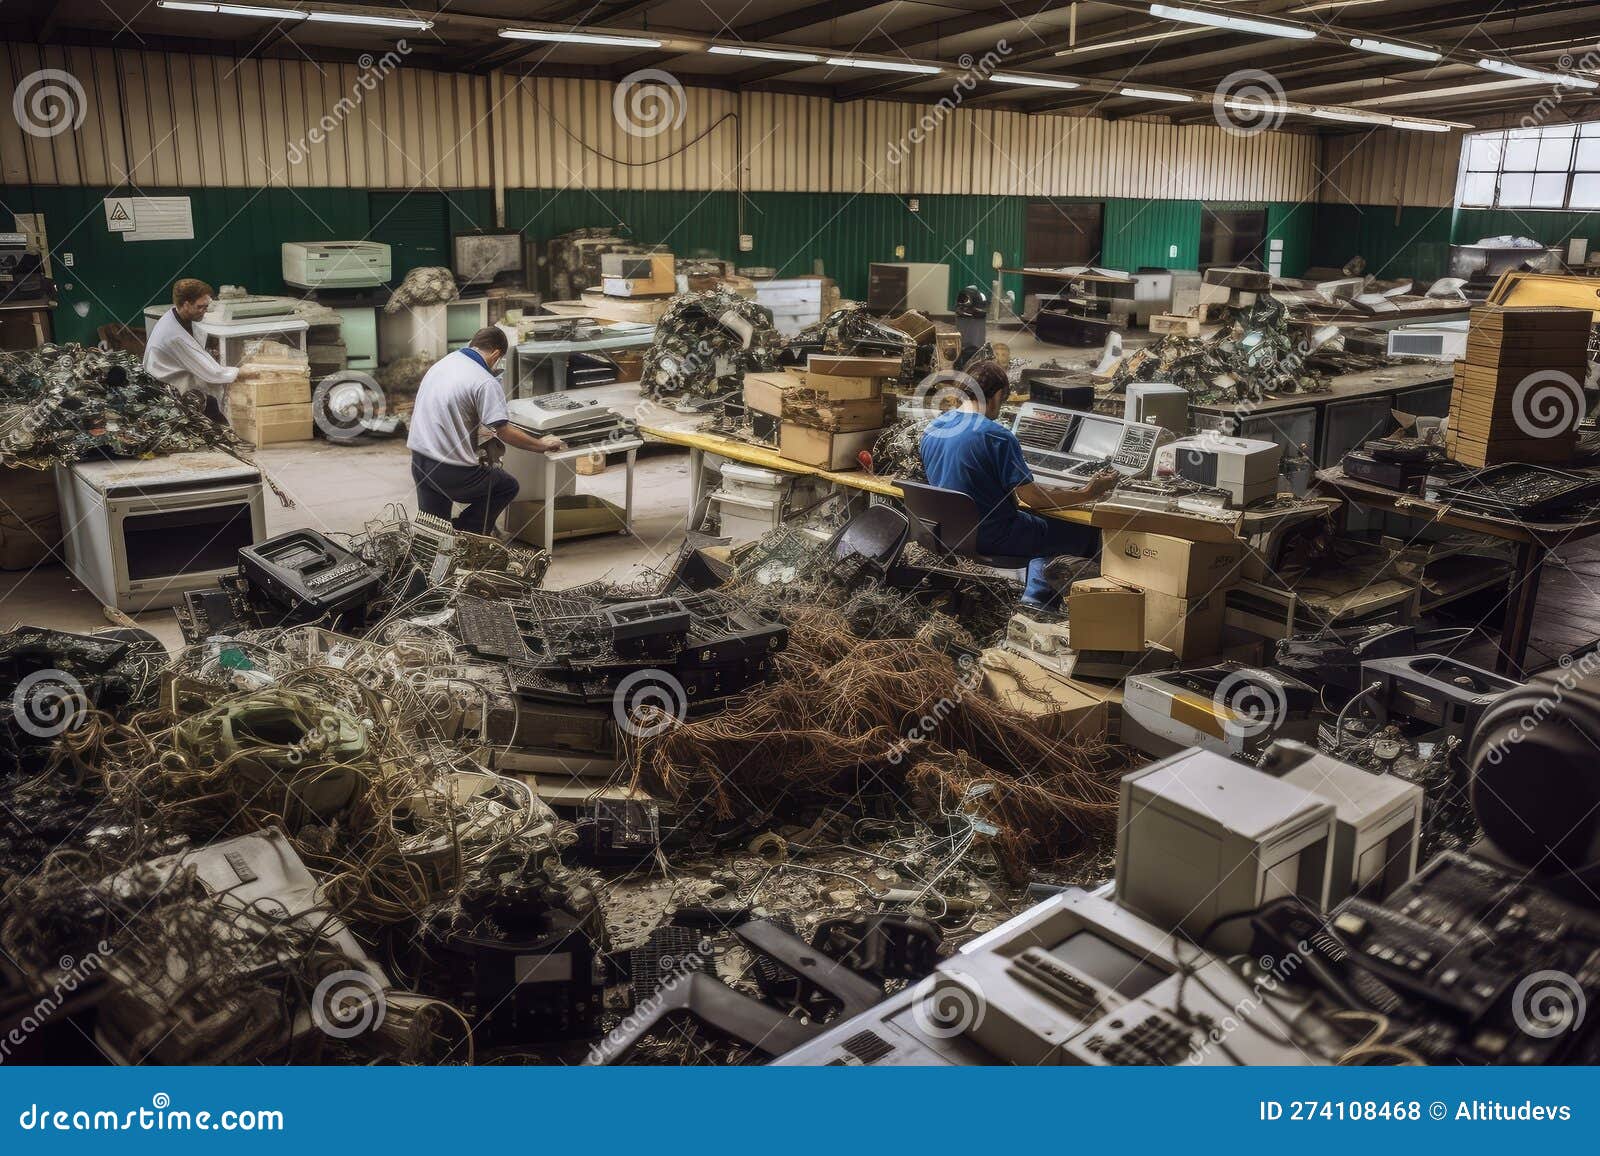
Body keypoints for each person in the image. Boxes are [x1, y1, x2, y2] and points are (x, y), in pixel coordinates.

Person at [919, 360, 1117, 609]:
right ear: (998, 395)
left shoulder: (933, 428)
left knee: (1043, 531)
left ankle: (1036, 597)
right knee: (1082, 532)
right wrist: (1088, 492)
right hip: (994, 535)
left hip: (951, 532)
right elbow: (1033, 499)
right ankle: (1039, 603)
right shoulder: (997, 436)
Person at [408, 326, 565, 534]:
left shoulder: (445, 363)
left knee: (435, 531)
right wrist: (540, 445)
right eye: (498, 361)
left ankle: (441, 547)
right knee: (506, 486)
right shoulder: (484, 380)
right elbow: (504, 431)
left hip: (420, 461)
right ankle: (467, 532)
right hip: (451, 471)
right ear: (496, 353)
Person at [142, 278, 238, 422]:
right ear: (186, 304)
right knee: (217, 421)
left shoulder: (178, 316)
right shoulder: (173, 335)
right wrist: (243, 371)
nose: (204, 311)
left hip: (179, 387)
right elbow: (213, 373)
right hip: (169, 395)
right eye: (200, 307)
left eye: (206, 306)